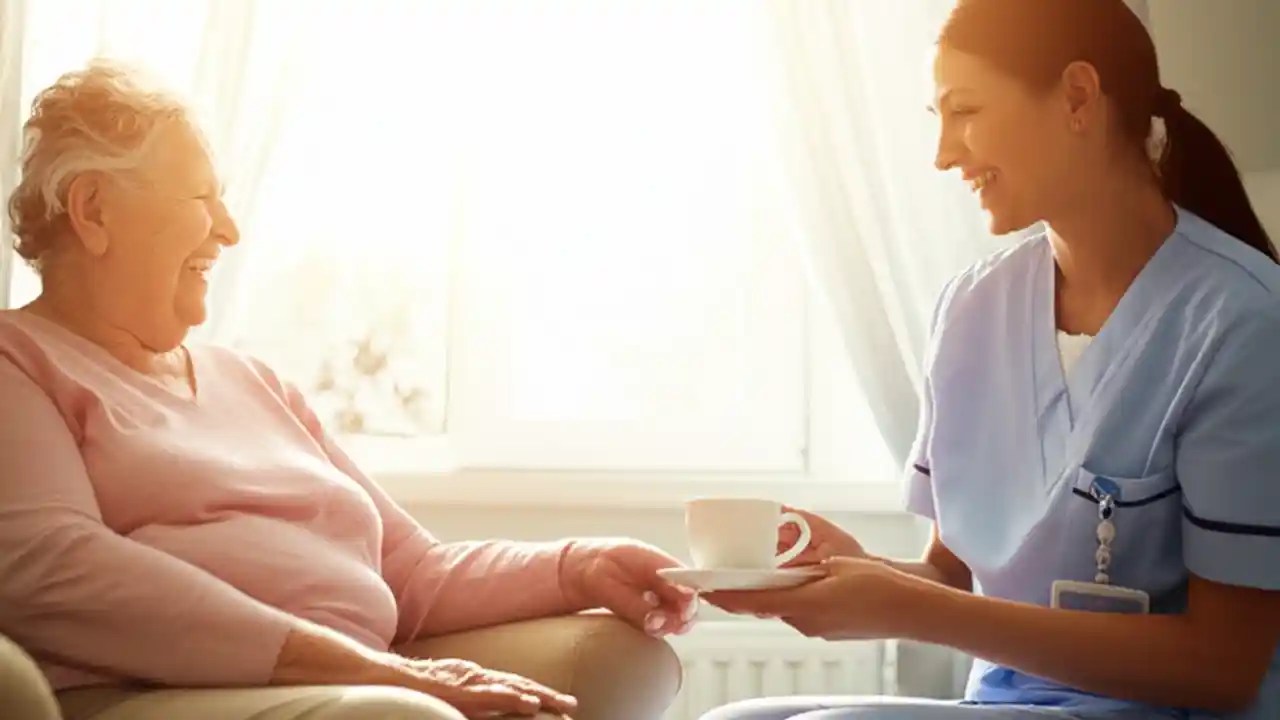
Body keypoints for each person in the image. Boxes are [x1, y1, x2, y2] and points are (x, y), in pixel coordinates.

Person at [0, 61, 695, 720]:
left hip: (357, 684)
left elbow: (413, 572)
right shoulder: (18, 359)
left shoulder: (251, 381)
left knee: (620, 659)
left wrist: (581, 567)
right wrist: (383, 672)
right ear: (93, 210)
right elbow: (53, 567)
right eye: (200, 197)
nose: (229, 229)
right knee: (397, 715)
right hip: (148, 691)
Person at [700, 0, 1280, 718]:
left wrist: (906, 609)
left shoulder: (1241, 322)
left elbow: (1223, 668)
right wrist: (850, 575)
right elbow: (953, 577)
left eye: (964, 111)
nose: (944, 153)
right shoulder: (972, 310)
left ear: (1076, 97)